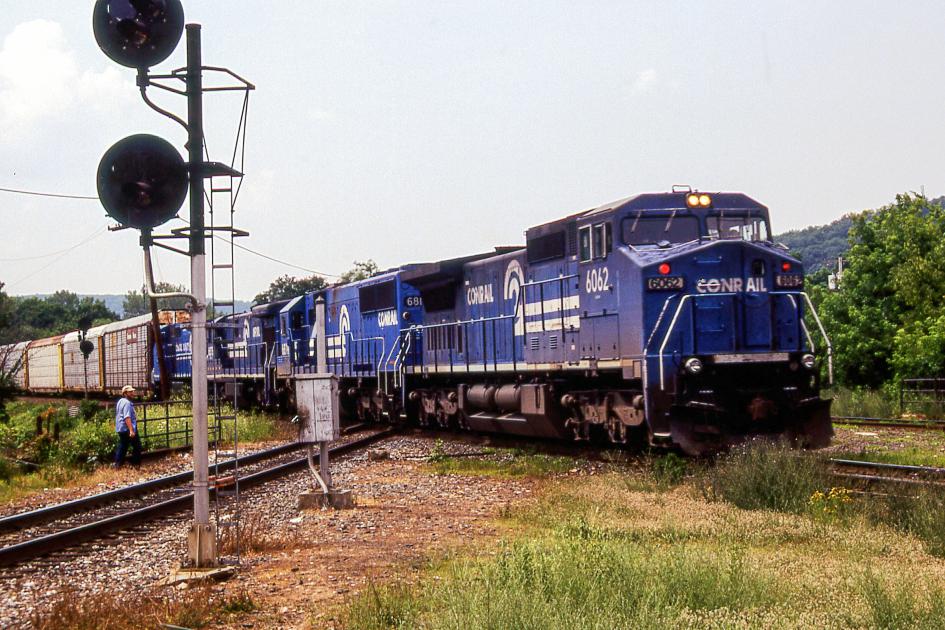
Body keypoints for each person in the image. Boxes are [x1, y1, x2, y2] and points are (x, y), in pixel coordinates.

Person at [114, 385, 142, 467]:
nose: (133, 393)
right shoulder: (127, 403)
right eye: (130, 392)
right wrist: (131, 430)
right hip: (127, 429)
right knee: (137, 446)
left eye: (132, 391)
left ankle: (118, 465)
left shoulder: (120, 401)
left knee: (123, 446)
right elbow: (127, 417)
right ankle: (136, 465)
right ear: (125, 393)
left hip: (121, 428)